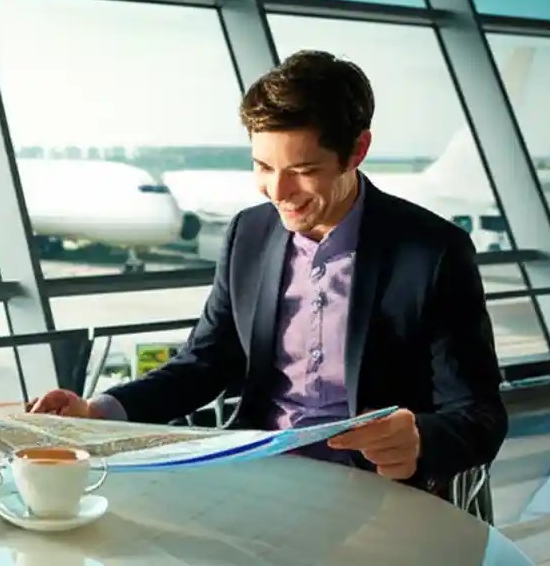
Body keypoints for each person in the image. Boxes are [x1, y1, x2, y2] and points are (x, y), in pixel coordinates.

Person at [30, 50, 508, 495]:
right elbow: (204, 363)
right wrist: (98, 412)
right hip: (253, 472)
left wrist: (421, 438)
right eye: (262, 165)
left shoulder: (432, 252)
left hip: (372, 490)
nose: (277, 191)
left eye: (303, 169)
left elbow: (479, 415)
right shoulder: (249, 234)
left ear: (357, 150)